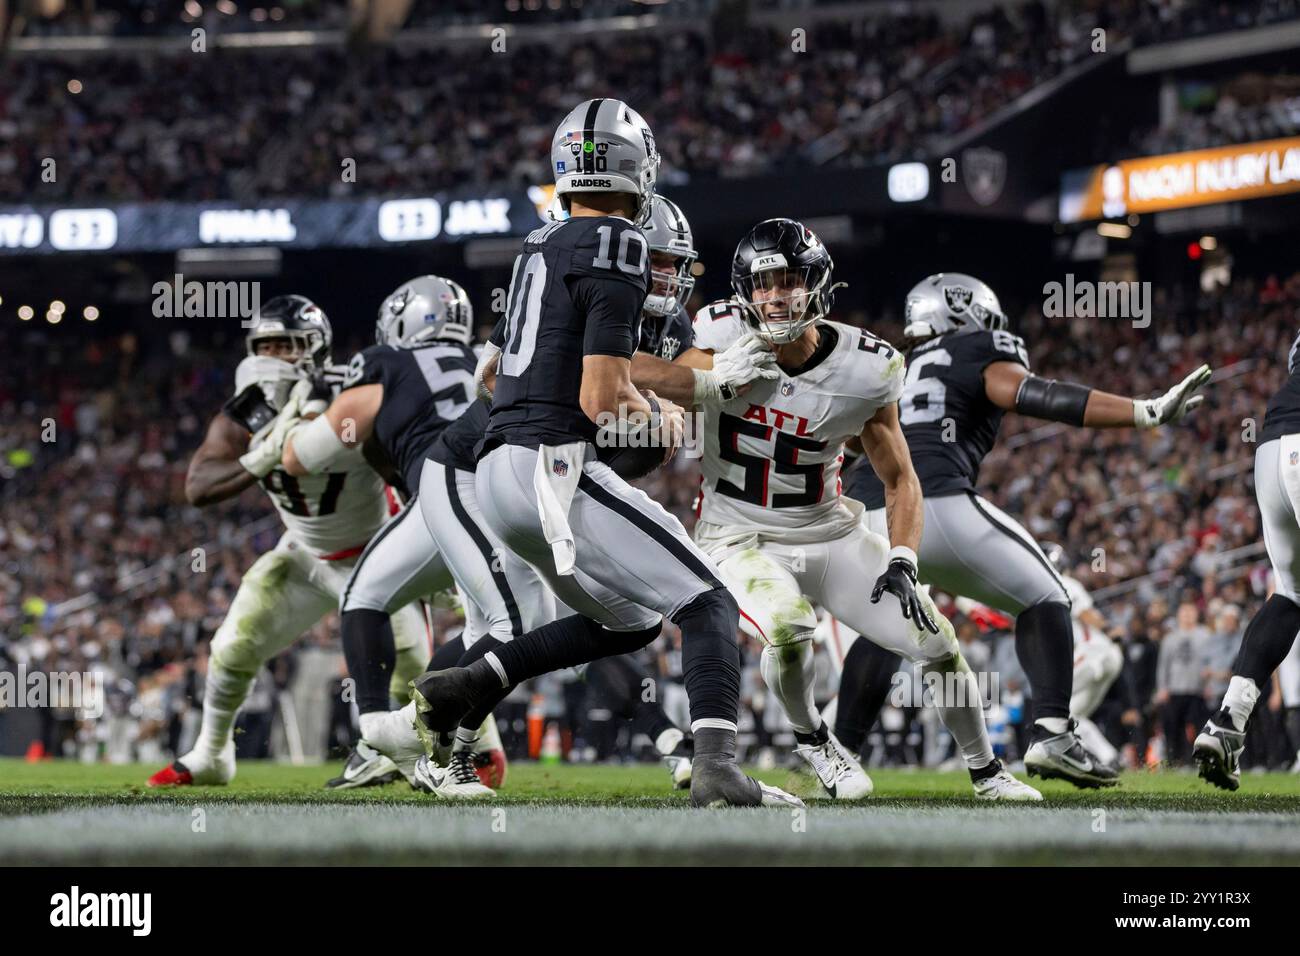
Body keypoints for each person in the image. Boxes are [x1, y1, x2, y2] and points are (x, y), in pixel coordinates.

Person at [690, 220, 1039, 801]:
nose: (775, 296)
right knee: (786, 629)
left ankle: (987, 772)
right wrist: (705, 382)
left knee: (936, 641)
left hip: (828, 529)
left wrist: (903, 556)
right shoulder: (716, 336)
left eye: (789, 280)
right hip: (738, 534)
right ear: (744, 293)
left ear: (817, 285)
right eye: (762, 284)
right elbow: (640, 373)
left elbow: (900, 477)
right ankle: (815, 740)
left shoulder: (865, 367)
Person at [837, 273, 1210, 788]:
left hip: (862, 511)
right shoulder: (977, 346)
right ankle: (1054, 734)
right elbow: (1035, 394)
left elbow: (850, 443)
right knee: (1047, 596)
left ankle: (840, 760)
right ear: (967, 315)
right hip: (932, 502)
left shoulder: (895, 367)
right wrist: (1143, 412)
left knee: (885, 631)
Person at [146, 296, 427, 787]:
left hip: (374, 554)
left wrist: (431, 543)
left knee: (415, 666)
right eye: (265, 345)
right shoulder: (249, 411)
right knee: (232, 646)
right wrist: (261, 457)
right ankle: (212, 754)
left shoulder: (349, 395)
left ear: (315, 350)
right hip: (303, 553)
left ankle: (475, 749)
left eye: (286, 346)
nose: (272, 357)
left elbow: (403, 469)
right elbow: (198, 487)